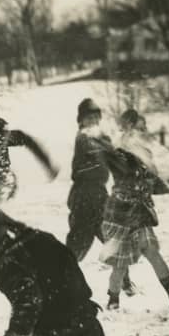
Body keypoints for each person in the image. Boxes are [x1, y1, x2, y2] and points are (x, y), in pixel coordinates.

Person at [94, 110, 169, 317]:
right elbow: (111, 159)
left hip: (140, 213)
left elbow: (151, 183)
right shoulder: (120, 151)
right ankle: (113, 300)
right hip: (120, 214)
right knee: (119, 263)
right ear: (129, 126)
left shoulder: (145, 154)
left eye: (144, 128)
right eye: (140, 127)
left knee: (152, 252)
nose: (144, 131)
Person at [66, 99, 112, 262]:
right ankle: (60, 280)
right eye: (88, 118)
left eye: (95, 118)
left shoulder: (101, 138)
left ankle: (125, 284)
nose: (92, 121)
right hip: (84, 196)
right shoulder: (83, 138)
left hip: (99, 195)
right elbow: (94, 154)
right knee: (76, 246)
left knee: (113, 241)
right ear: (81, 121)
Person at [0, 116, 59, 204]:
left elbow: (28, 141)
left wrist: (47, 165)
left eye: (2, 139)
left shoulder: (7, 137)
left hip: (4, 180)